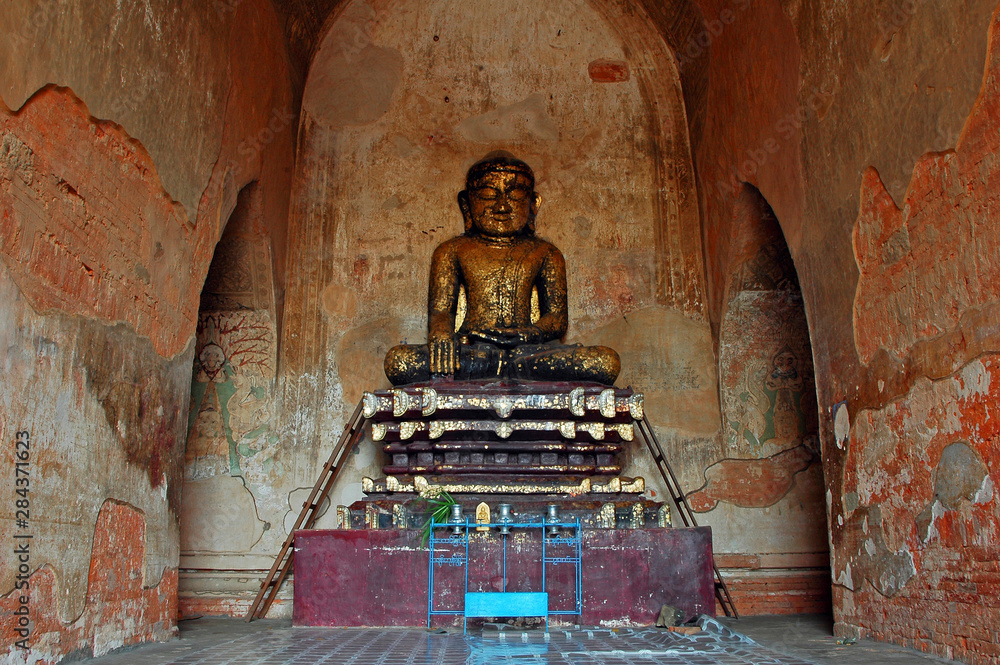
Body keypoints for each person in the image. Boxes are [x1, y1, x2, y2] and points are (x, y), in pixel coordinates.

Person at [384, 151, 620, 385]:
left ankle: (506, 366)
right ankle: (499, 367)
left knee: (605, 361)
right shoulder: (452, 250)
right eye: (488, 194)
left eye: (515, 195)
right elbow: (441, 311)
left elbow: (557, 319)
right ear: (466, 203)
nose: (502, 206)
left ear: (533, 204)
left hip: (527, 354)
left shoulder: (546, 253)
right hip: (473, 352)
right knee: (399, 361)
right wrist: (441, 334)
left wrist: (528, 334)